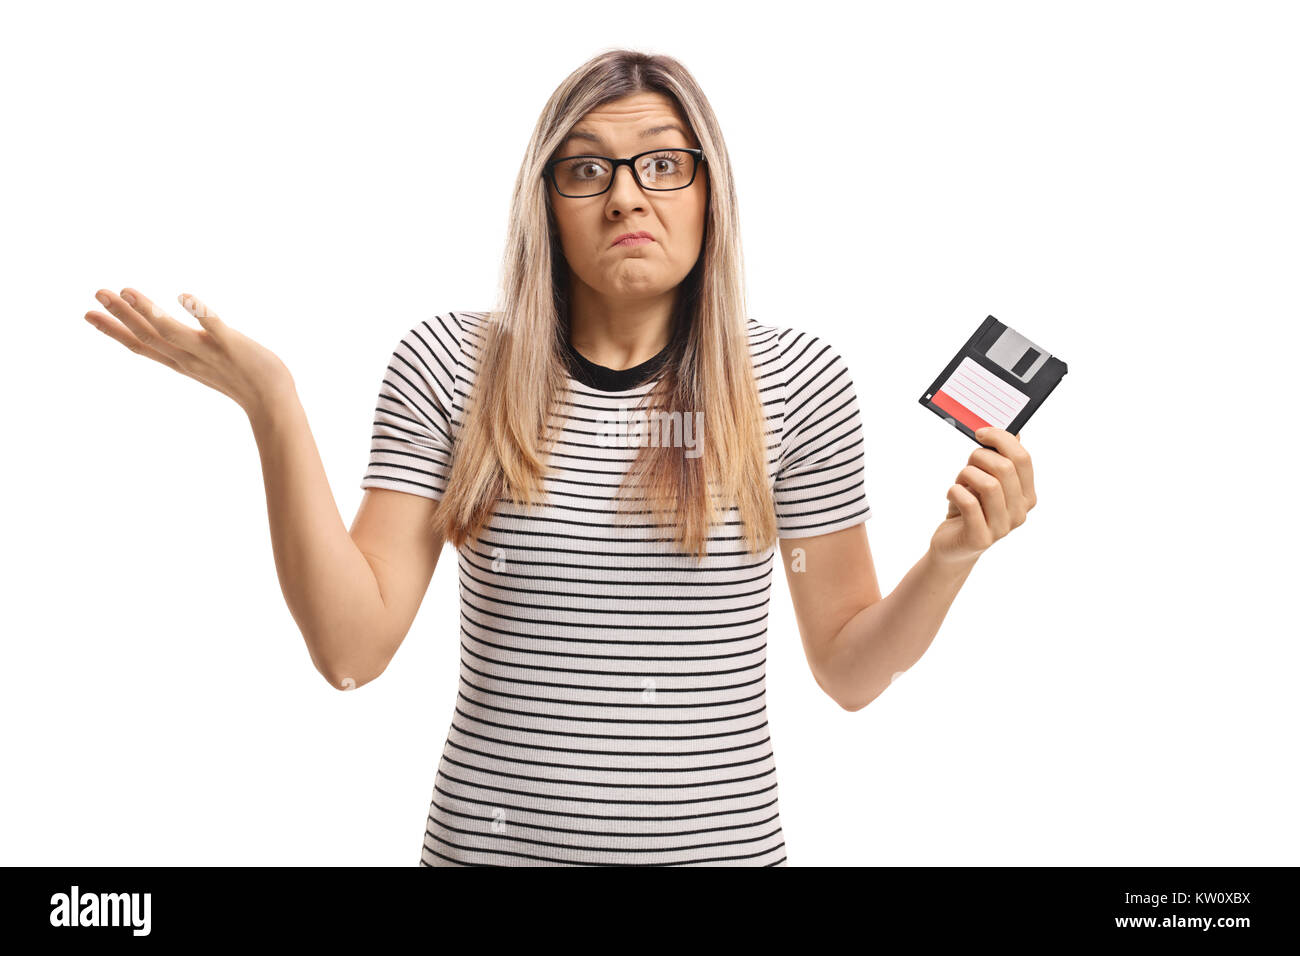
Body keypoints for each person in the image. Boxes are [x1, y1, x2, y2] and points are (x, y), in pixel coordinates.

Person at [82, 49, 1036, 867]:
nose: (626, 193)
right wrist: (273, 406)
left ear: (711, 191)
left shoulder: (793, 380)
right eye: (586, 171)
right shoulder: (450, 367)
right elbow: (350, 651)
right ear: (547, 203)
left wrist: (950, 558)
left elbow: (849, 670)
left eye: (663, 164)